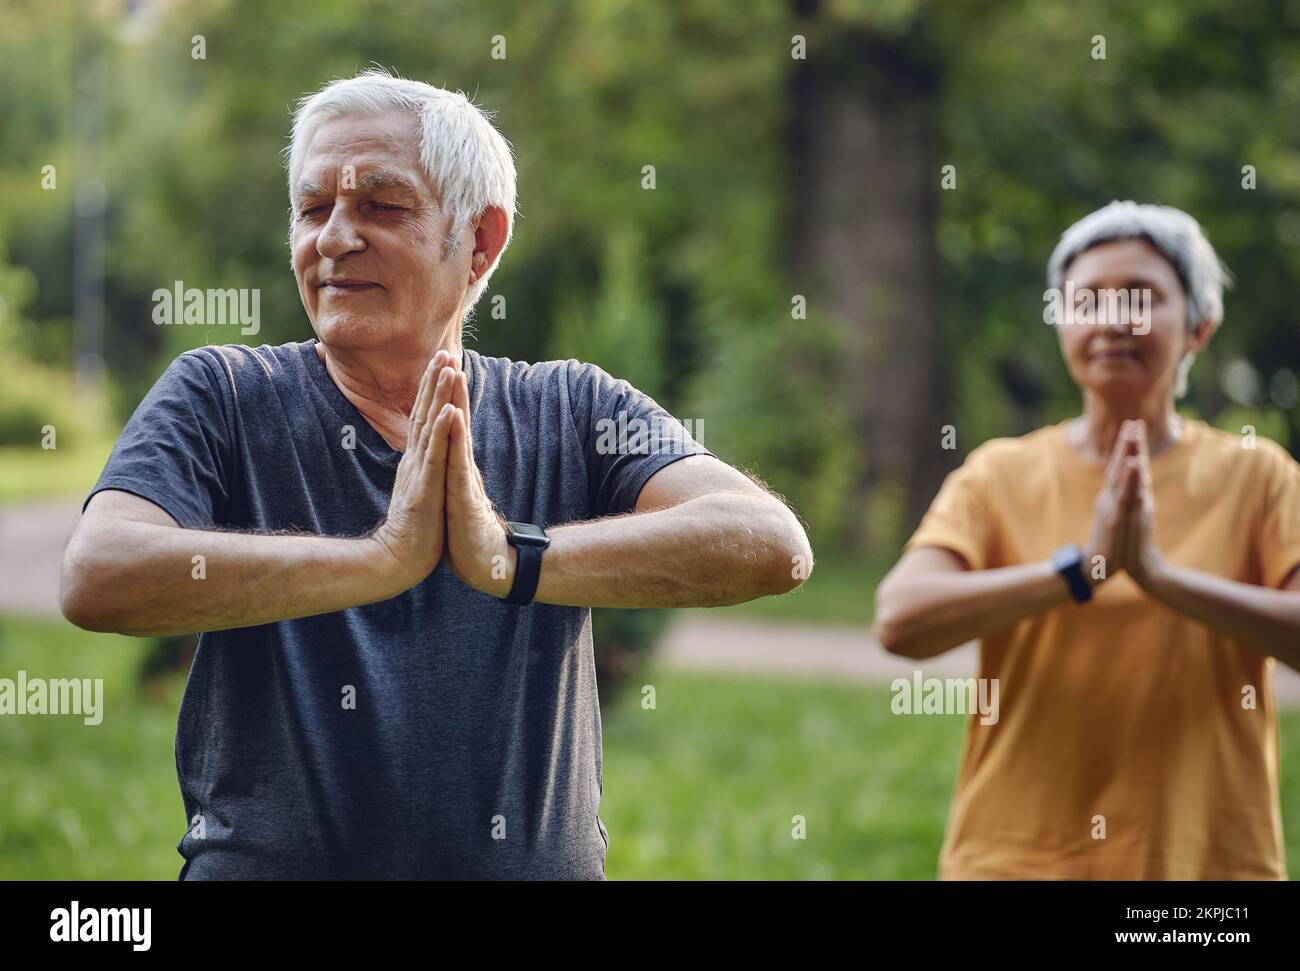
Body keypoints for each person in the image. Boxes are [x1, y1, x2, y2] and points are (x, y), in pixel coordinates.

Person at [59, 69, 813, 880]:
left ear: (481, 239)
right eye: (313, 210)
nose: (335, 238)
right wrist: (380, 559)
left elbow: (771, 543)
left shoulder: (572, 406)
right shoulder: (225, 394)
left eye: (381, 207)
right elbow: (100, 574)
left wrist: (506, 557)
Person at [874, 200, 1300, 880]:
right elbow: (900, 619)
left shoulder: (1259, 476)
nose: (1112, 319)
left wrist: (1160, 577)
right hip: (1015, 860)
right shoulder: (999, 473)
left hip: (1207, 869)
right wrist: (1080, 571)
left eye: (1142, 297)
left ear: (1199, 326)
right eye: (1087, 299)